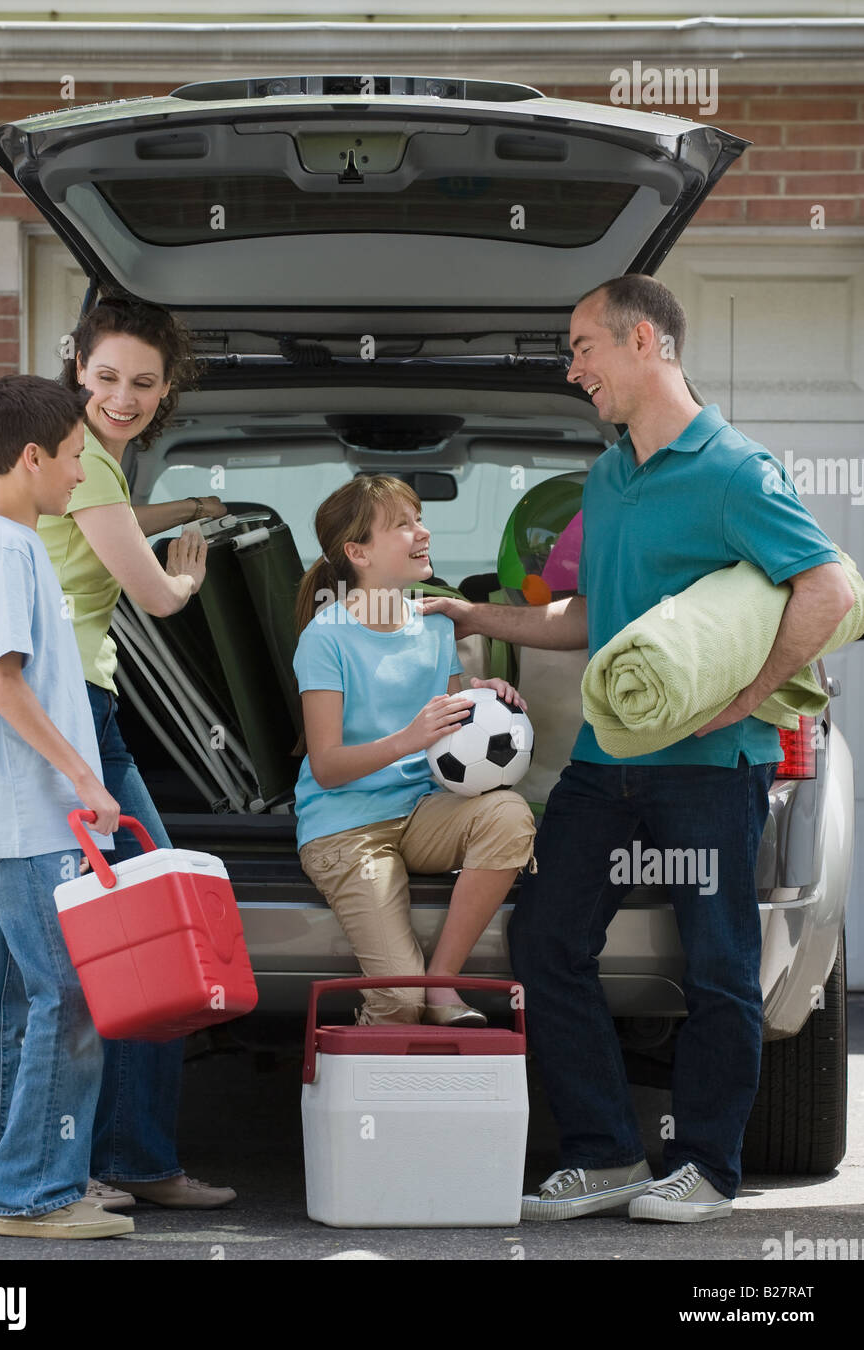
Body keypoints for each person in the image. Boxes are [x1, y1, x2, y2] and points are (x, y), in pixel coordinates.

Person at [422, 274, 855, 1221]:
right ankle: (607, 1154)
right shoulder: (609, 474)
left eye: (583, 347)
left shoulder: (735, 472)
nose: (571, 366)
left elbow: (824, 588)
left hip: (710, 770)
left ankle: (702, 1166)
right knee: (544, 938)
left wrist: (741, 699)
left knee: (716, 969)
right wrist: (470, 612)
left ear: (646, 343)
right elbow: (587, 616)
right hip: (604, 764)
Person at [38, 296, 233, 1210]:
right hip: (73, 711)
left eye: (143, 384)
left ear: (165, 389)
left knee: (114, 933)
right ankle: (125, 1161)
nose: (123, 396)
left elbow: (108, 515)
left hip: (76, 705)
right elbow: (156, 596)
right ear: (79, 364)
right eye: (109, 377)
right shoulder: (90, 463)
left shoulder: (82, 457)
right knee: (156, 926)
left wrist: (187, 502)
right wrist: (190, 569)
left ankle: (114, 1157)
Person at [0, 374, 130, 1238]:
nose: (78, 478)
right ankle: (36, 1194)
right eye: (70, 461)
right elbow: (1, 683)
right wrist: (86, 781)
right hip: (31, 818)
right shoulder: (14, 548)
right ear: (30, 457)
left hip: (1, 820)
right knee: (70, 995)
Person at [294, 474, 536, 1027]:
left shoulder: (432, 624)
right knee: (397, 1000)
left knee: (509, 815)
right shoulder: (325, 638)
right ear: (358, 552)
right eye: (402, 525)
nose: (421, 532)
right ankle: (375, 1086)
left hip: (423, 811)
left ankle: (444, 984)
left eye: (419, 518)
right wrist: (409, 737)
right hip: (346, 828)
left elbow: (445, 710)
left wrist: (482, 693)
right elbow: (328, 767)